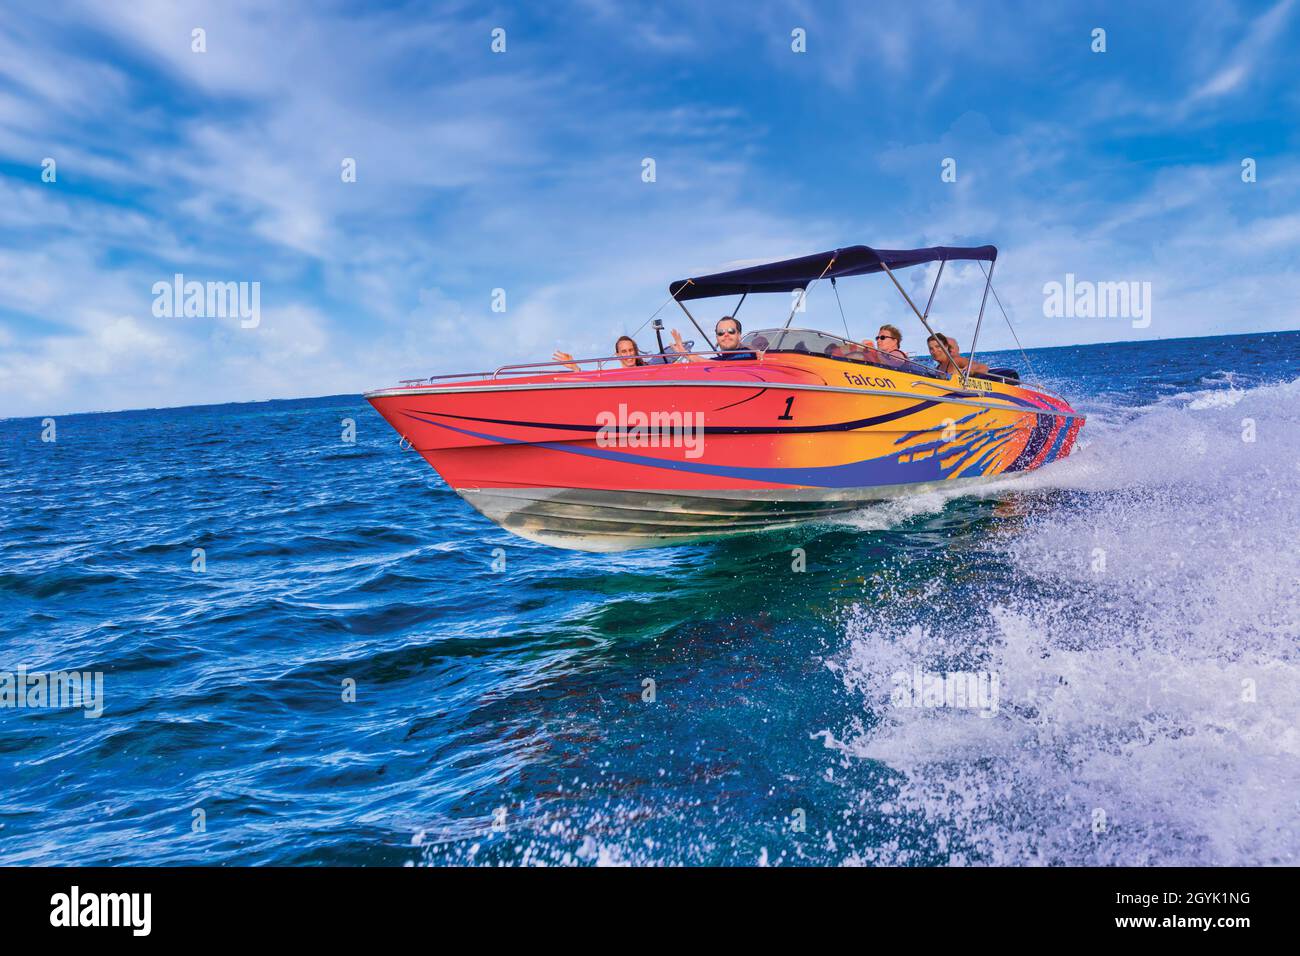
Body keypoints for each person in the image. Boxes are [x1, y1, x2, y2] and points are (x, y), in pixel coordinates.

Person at [670, 316, 756, 362]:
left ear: (739, 335)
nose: (726, 334)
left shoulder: (748, 354)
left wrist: (686, 353)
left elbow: (724, 366)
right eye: (721, 333)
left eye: (731, 331)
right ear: (717, 338)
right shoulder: (719, 360)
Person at [553, 335, 647, 372]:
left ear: (635, 351)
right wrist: (575, 367)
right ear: (618, 355)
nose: (629, 354)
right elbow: (592, 383)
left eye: (631, 350)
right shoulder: (614, 376)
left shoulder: (648, 371)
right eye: (624, 351)